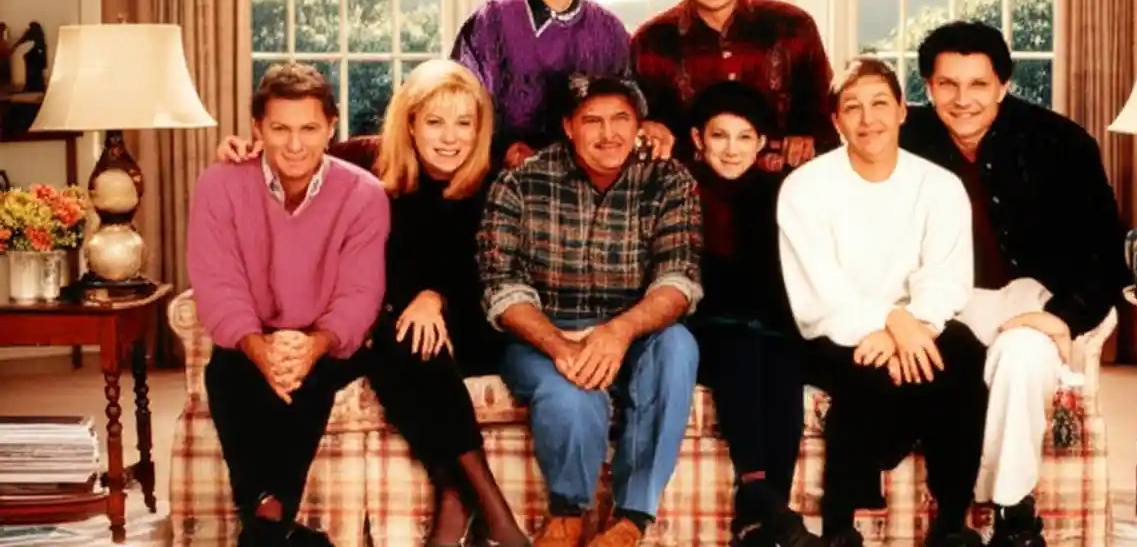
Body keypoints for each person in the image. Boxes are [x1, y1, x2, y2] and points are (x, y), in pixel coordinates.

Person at [211, 60, 529, 546]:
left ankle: (483, 503)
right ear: (410, 123)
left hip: (464, 320)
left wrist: (434, 297)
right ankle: (457, 497)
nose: (451, 138)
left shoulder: (496, 186)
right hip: (378, 319)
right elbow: (298, 149)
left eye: (465, 123)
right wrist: (246, 149)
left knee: (412, 343)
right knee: (381, 344)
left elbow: (491, 275)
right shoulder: (365, 163)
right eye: (435, 122)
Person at [900, 21, 1128, 547]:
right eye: (947, 85)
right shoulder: (903, 140)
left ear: (1003, 85)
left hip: (1031, 299)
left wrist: (1064, 316)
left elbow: (1105, 254)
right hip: (938, 303)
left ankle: (1012, 514)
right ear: (928, 87)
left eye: (978, 84)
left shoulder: (1061, 142)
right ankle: (958, 518)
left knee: (1023, 358)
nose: (962, 100)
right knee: (941, 364)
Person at [478, 74, 702, 547]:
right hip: (546, 331)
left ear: (640, 124)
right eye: (592, 121)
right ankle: (568, 514)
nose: (609, 134)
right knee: (571, 396)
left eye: (621, 119)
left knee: (679, 345)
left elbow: (678, 280)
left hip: (635, 331)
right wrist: (561, 346)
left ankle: (631, 519)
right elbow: (501, 288)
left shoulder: (668, 179)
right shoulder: (520, 182)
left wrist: (618, 333)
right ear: (567, 125)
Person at [778, 59, 987, 547]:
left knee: (963, 356)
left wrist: (912, 326)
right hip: (834, 327)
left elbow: (948, 274)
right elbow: (819, 286)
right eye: (853, 108)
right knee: (863, 368)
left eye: (879, 105)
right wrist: (890, 322)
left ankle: (952, 524)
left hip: (921, 324)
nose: (867, 119)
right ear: (836, 121)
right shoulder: (805, 188)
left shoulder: (939, 185)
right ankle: (838, 525)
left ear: (902, 112)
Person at [188, 63, 391, 546]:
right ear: (257, 128)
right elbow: (219, 285)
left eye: (308, 129)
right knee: (228, 373)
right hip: (253, 335)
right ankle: (277, 527)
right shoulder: (220, 184)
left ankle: (265, 526)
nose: (295, 144)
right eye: (280, 128)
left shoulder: (364, 194)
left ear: (331, 127)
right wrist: (262, 350)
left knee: (309, 383)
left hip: (330, 341)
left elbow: (360, 293)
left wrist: (311, 347)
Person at [682, 81, 818, 547]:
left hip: (770, 324)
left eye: (745, 138)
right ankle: (760, 492)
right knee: (740, 348)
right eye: (720, 136)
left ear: (762, 144)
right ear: (699, 139)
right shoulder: (684, 189)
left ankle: (762, 515)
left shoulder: (780, 191)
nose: (732, 149)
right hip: (706, 326)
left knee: (782, 361)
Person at [451, 0, 673, 168]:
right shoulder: (493, 20)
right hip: (501, 177)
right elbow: (460, 108)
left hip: (590, 183)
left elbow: (628, 110)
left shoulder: (608, 30)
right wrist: (504, 150)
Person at [632, 0, 836, 168]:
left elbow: (825, 124)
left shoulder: (793, 28)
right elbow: (643, 135)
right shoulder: (651, 42)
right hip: (689, 199)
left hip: (783, 193)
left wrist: (806, 140)